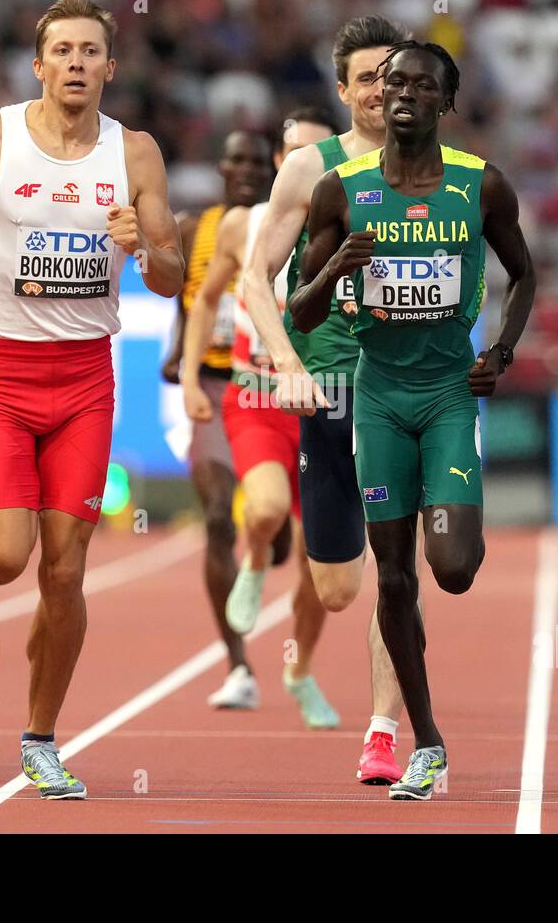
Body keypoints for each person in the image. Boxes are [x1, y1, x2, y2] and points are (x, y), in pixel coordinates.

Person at [0, 0, 184, 799]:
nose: (75, 64)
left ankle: (40, 737)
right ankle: (36, 722)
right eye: (62, 51)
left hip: (88, 383)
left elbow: (170, 274)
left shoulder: (135, 154)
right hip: (0, 378)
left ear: (109, 67)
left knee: (64, 573)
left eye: (90, 52)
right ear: (39, 64)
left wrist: (148, 248)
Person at [296, 41, 536, 799]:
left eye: (421, 84)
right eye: (391, 79)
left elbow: (524, 273)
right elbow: (301, 311)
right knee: (393, 579)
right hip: (376, 397)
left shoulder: (481, 185)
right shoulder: (341, 189)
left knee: (453, 569)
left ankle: (457, 515)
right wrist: (336, 269)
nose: (402, 92)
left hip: (446, 394)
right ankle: (425, 743)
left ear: (444, 102)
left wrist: (500, 349)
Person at [239, 16, 417, 784]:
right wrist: (285, 363)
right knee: (339, 587)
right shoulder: (309, 170)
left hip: (404, 392)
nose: (384, 89)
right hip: (327, 391)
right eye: (368, 77)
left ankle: (383, 732)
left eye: (396, 75)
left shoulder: (448, 169)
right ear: (344, 90)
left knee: (399, 567)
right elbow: (254, 279)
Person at [182, 110, 341, 729]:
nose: (300, 164)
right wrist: (193, 377)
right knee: (266, 510)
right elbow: (203, 304)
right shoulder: (242, 227)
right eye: (291, 152)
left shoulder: (358, 220)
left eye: (315, 153)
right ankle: (252, 564)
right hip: (254, 398)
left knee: (319, 570)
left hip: (327, 403)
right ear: (281, 162)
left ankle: (299, 671)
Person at [161, 130, 286, 710]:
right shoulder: (196, 229)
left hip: (268, 388)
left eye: (257, 161)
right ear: (220, 166)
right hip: (213, 386)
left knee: (278, 534)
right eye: (235, 158)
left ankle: (267, 546)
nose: (245, 169)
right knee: (216, 517)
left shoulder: (284, 225)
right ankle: (238, 662)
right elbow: (189, 299)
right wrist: (179, 363)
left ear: (273, 169)